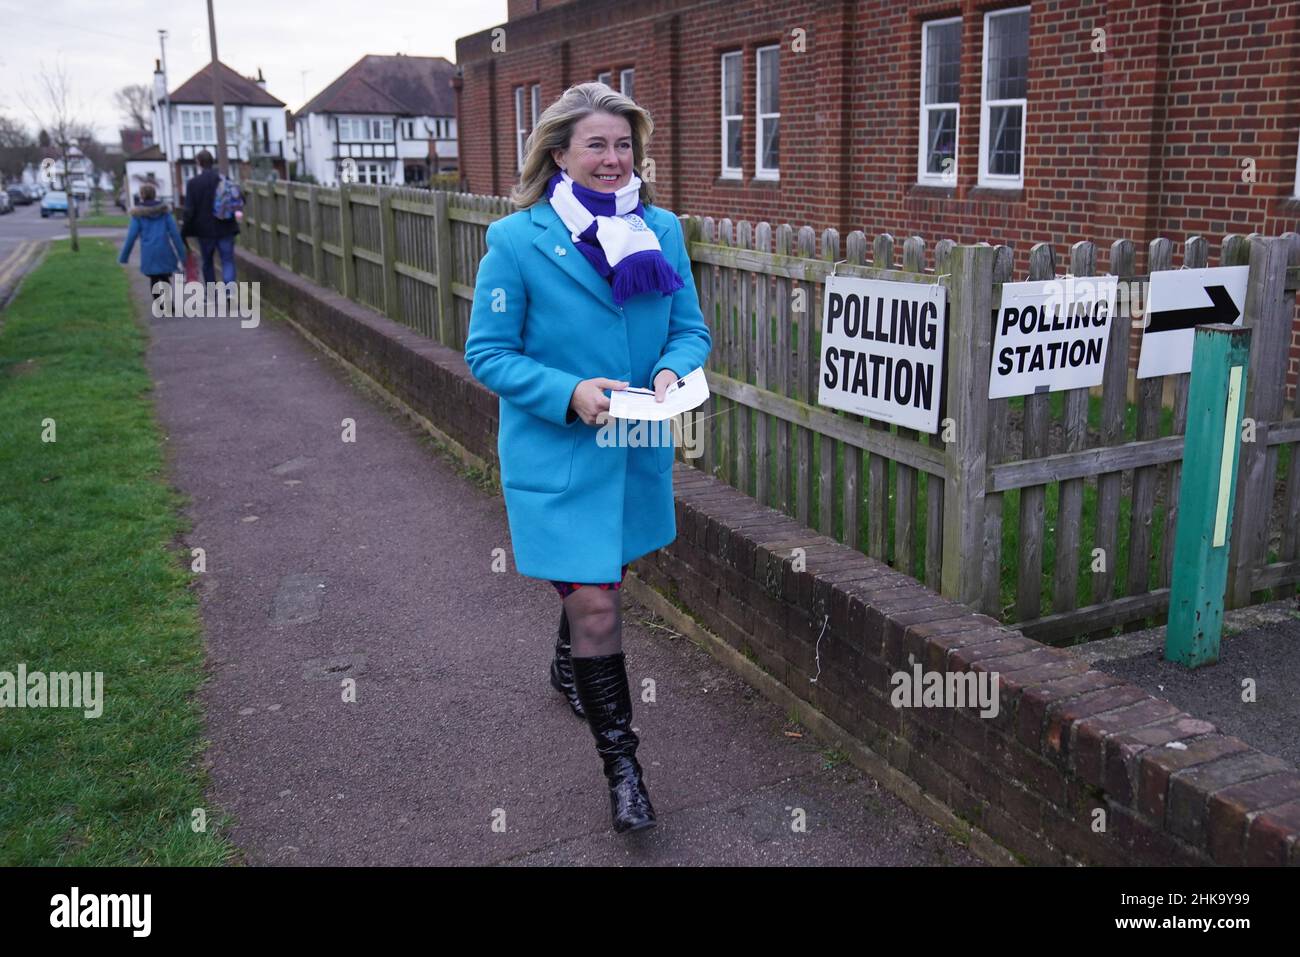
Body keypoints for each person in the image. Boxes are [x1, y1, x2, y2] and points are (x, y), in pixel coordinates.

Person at [464, 82, 711, 834]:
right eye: (596, 145)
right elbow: (488, 353)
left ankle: (568, 659)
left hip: (634, 448)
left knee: (604, 584)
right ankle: (624, 767)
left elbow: (690, 331)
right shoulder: (516, 241)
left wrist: (671, 368)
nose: (612, 158)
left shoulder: (660, 229)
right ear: (560, 154)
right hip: (558, 454)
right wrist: (568, 390)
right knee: (599, 601)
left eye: (623, 144)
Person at [117, 183, 187, 304]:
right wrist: (182, 255)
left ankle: (160, 304)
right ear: (154, 194)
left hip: (148, 252)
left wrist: (124, 257)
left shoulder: (138, 215)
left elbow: (131, 236)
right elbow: (175, 234)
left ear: (142, 195)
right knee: (165, 278)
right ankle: (168, 303)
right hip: (164, 249)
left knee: (154, 278)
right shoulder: (165, 212)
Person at [181, 149, 239, 290]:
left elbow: (189, 209)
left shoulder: (193, 183)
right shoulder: (224, 180)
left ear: (199, 163)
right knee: (227, 261)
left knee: (207, 262)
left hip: (204, 231)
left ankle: (211, 293)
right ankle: (229, 292)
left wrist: (184, 229)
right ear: (212, 162)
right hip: (226, 227)